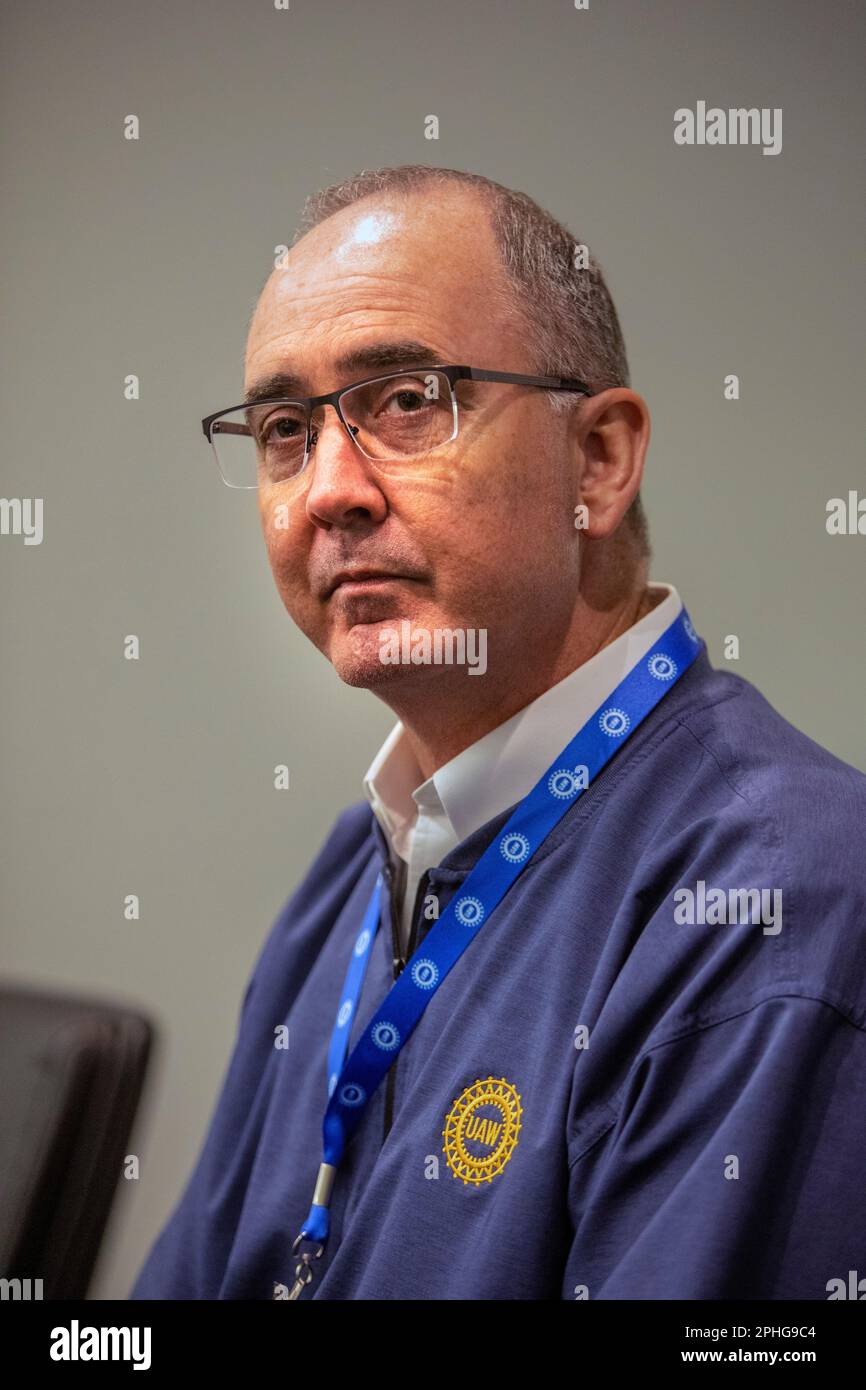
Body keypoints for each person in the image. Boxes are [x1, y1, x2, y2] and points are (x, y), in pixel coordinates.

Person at [130, 165, 866, 1301]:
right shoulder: (349, 878)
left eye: (407, 400)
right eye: (285, 428)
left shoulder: (778, 897)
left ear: (597, 462)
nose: (330, 488)